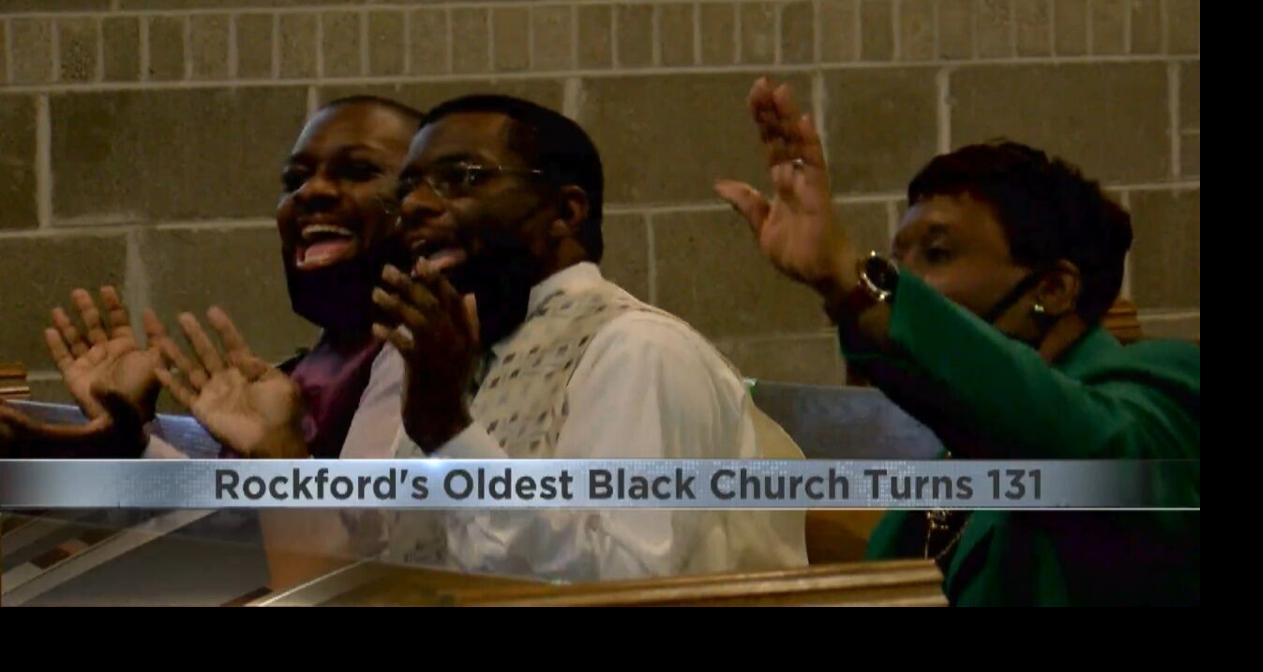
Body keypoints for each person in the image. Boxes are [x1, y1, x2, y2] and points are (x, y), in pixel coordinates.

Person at [159, 95, 809, 582]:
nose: (414, 206)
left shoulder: (636, 350)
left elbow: (625, 579)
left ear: (565, 212)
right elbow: (369, 575)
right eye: (410, 186)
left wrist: (452, 436)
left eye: (462, 177)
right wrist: (278, 450)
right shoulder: (462, 360)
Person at [714, 77, 1199, 606]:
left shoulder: (1162, 395)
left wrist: (852, 283)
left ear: (1053, 288)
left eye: (938, 254)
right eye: (900, 259)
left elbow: (1086, 451)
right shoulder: (955, 455)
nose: (905, 280)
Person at [41, 96, 422, 461]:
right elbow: (237, 511)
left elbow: (359, 525)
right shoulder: (323, 362)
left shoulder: (427, 367)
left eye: (358, 171)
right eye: (294, 180)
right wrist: (132, 430)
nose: (311, 191)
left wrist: (279, 456)